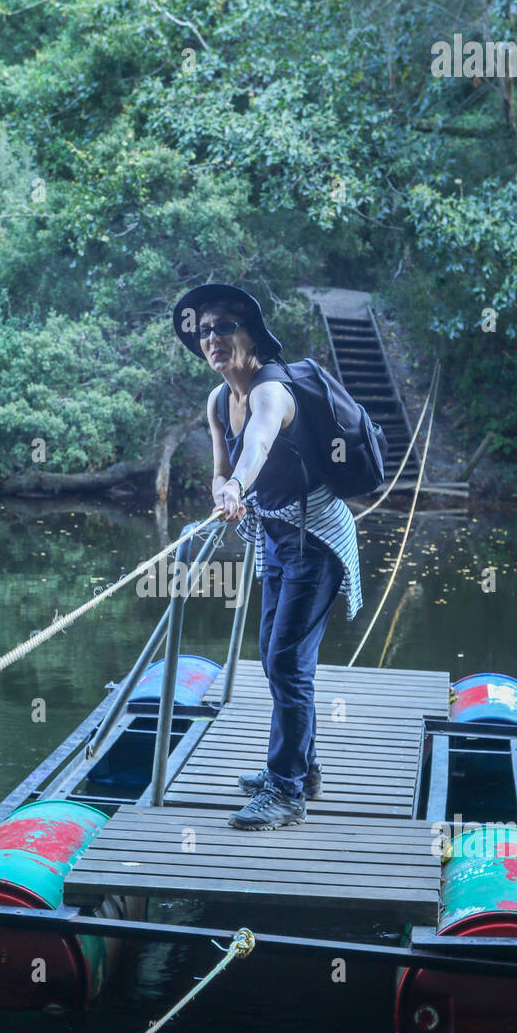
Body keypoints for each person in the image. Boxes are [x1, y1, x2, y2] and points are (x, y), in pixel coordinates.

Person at [172, 283, 363, 830]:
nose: (212, 338)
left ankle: (285, 792)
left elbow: (255, 445)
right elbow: (220, 466)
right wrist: (221, 489)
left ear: (251, 334)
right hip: (278, 538)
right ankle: (302, 768)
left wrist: (237, 484)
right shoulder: (217, 401)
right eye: (204, 330)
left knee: (286, 660)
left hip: (318, 540)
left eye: (224, 326)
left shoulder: (270, 392)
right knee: (275, 653)